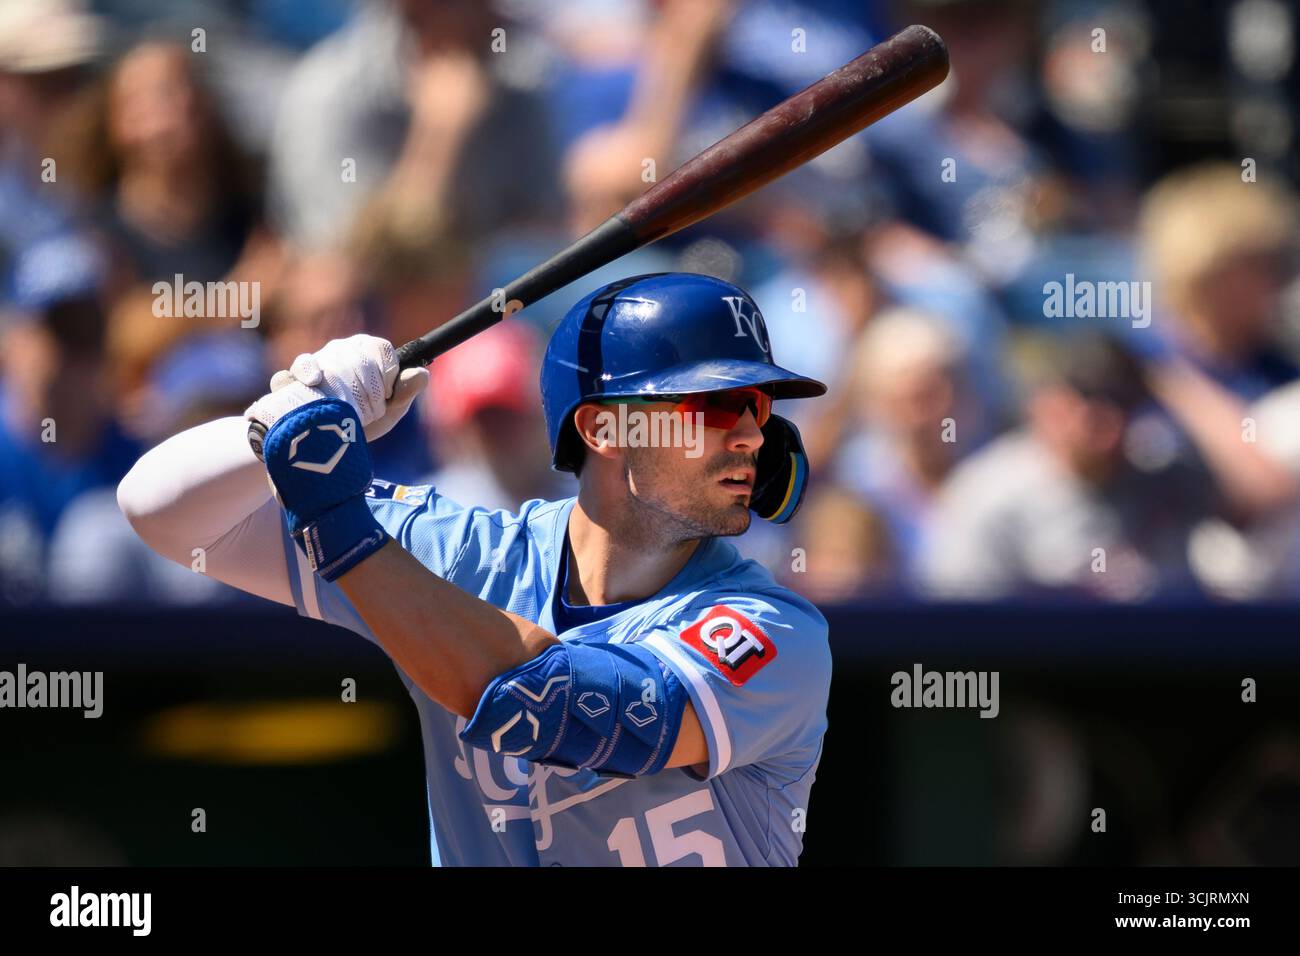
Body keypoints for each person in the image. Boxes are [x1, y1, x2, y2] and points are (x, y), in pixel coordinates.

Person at [118, 273, 832, 866]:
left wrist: (340, 525)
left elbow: (559, 711)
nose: (751, 433)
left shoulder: (774, 630)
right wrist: (280, 422)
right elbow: (159, 508)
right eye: (714, 405)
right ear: (603, 428)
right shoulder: (469, 555)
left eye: (758, 406)